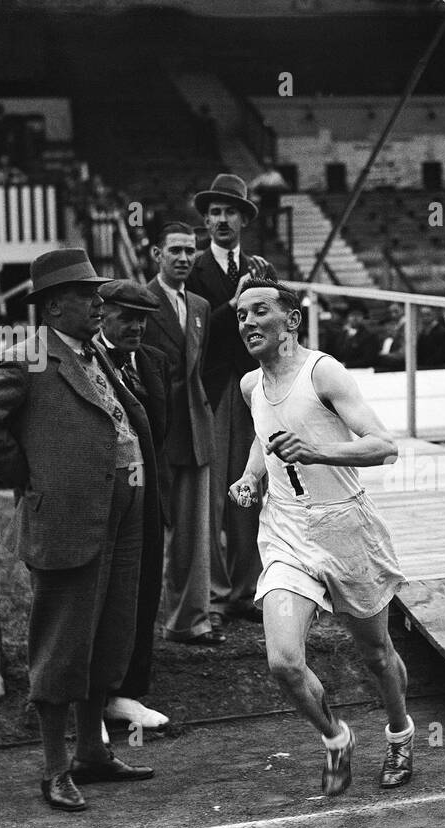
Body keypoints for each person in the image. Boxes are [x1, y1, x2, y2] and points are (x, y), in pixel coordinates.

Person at [0, 248, 154, 811]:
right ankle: (55, 768)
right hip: (67, 518)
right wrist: (26, 474)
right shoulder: (28, 357)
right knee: (62, 643)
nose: (98, 303)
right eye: (88, 296)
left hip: (119, 512)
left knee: (107, 635)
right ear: (55, 304)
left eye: (96, 294)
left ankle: (91, 753)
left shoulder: (91, 352)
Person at [228, 276, 412, 794]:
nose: (246, 323)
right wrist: (250, 477)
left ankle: (400, 732)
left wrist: (316, 451)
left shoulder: (322, 372)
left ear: (290, 319)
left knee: (376, 655)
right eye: (240, 316)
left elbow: (383, 446)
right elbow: (265, 442)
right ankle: (336, 739)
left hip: (346, 528)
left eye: (258, 311)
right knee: (283, 661)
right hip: (287, 533)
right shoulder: (249, 385)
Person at [185, 173, 276, 624]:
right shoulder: (194, 271)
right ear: (206, 221)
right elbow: (196, 332)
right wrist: (237, 301)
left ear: (243, 219)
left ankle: (248, 589)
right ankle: (216, 594)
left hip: (254, 389)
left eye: (230, 212)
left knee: (251, 487)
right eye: (215, 213)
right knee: (213, 494)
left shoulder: (260, 268)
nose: (222, 220)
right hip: (214, 389)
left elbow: (274, 323)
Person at [95, 279, 172, 731]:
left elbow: (159, 434)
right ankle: (91, 700)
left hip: (146, 496)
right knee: (99, 597)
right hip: (102, 497)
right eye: (127, 316)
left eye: (143, 318)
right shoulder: (88, 362)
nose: (137, 326)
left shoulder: (154, 363)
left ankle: (125, 693)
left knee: (142, 592)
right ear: (101, 313)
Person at [143, 221, 221, 645]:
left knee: (195, 532)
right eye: (175, 250)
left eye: (191, 250)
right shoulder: (140, 301)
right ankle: (141, 623)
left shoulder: (201, 307)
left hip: (194, 432)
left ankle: (189, 619)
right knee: (151, 534)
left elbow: (199, 372)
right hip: (155, 434)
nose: (185, 258)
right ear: (156, 254)